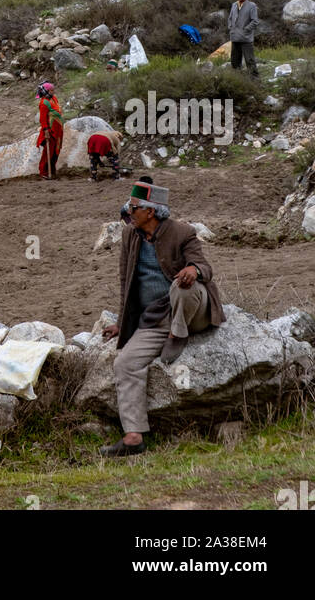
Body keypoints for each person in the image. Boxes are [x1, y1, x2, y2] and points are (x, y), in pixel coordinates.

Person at [99, 177, 225, 458]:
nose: (127, 212)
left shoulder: (183, 232)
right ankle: (133, 436)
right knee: (125, 363)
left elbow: (205, 266)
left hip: (193, 312)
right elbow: (126, 281)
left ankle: (178, 335)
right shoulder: (130, 236)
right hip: (154, 320)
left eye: (133, 208)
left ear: (150, 212)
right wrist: (122, 322)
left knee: (181, 285)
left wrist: (194, 270)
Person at [228, 0, 259, 77]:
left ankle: (255, 80)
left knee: (250, 60)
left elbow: (255, 21)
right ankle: (238, 79)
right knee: (235, 61)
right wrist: (231, 28)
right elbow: (230, 18)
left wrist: (245, 30)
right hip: (235, 37)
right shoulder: (234, 5)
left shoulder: (252, 6)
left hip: (246, 38)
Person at [36, 80, 63, 181]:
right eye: (51, 90)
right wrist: (46, 131)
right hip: (50, 132)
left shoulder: (54, 99)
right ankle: (44, 171)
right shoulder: (43, 103)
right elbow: (43, 119)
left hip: (58, 131)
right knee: (48, 152)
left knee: (56, 151)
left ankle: (52, 169)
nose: (53, 92)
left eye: (53, 90)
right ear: (46, 91)